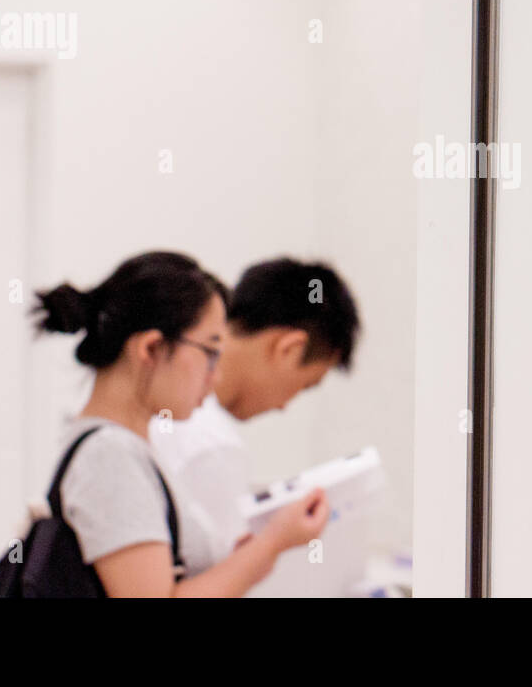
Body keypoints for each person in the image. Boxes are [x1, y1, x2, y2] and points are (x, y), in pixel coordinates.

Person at [33, 250, 329, 597]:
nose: (215, 375)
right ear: (152, 348)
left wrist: (252, 553)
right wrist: (272, 543)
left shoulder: (124, 448)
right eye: (210, 351)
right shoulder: (110, 455)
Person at [149, 257, 360, 560]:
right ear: (290, 349)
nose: (285, 406)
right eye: (304, 385)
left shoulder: (161, 407)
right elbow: (224, 582)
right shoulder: (211, 441)